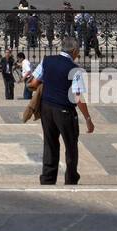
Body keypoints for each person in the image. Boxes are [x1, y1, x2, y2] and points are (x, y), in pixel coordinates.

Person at [26, 35, 94, 185]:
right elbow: (78, 97)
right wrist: (88, 119)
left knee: (50, 144)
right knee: (71, 146)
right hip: (64, 111)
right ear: (75, 51)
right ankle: (70, 179)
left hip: (46, 108)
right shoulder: (74, 69)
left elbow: (34, 82)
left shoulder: (47, 60)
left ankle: (48, 179)